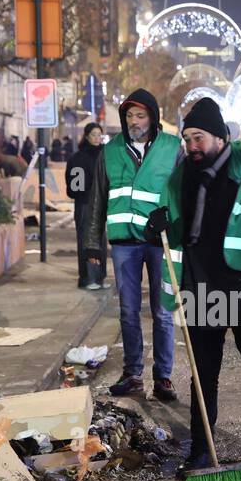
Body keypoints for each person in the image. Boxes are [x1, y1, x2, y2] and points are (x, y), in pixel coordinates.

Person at [144, 96, 241, 477]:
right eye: (188, 139)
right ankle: (200, 450)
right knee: (203, 376)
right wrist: (159, 225)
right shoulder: (183, 178)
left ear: (220, 137)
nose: (193, 147)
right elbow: (179, 233)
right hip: (202, 289)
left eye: (199, 138)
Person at [83, 88, 182, 401]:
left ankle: (164, 377)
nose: (134, 121)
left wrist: (174, 222)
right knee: (128, 311)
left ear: (152, 117)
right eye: (129, 116)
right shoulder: (110, 150)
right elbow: (97, 198)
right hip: (124, 241)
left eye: (140, 115)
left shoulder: (171, 147)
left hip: (159, 242)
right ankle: (132, 374)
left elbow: (183, 194)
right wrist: (92, 244)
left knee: (163, 311)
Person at [67, 122, 107, 289]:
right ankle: (88, 278)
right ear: (86, 136)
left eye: (99, 135)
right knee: (86, 240)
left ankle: (99, 277)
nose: (97, 138)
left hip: (101, 204)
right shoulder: (80, 158)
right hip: (85, 204)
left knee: (101, 240)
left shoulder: (104, 155)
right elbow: (75, 187)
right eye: (94, 135)